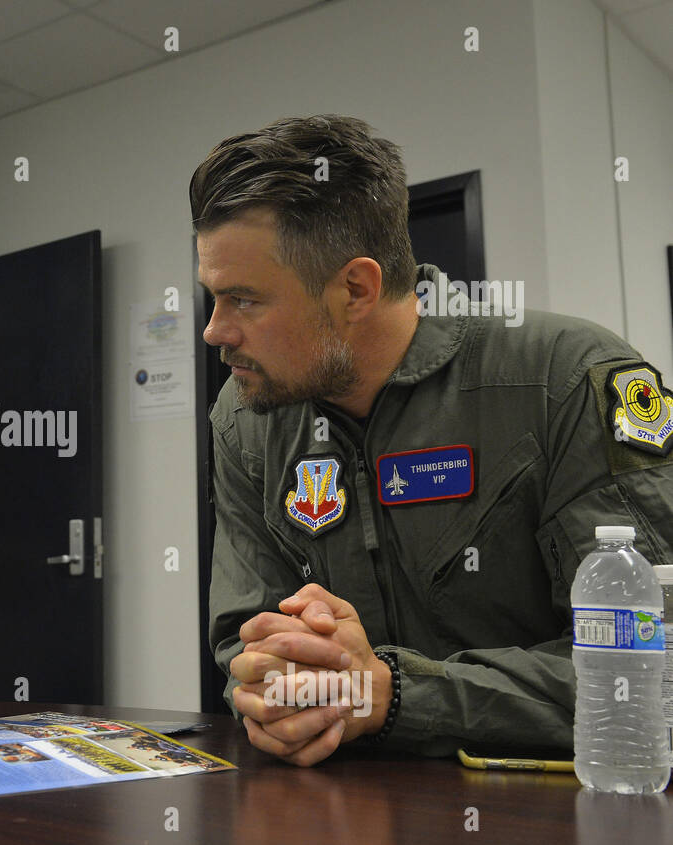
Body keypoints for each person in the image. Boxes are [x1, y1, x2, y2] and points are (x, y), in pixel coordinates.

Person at [192, 115, 673, 766]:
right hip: (340, 816)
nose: (214, 331)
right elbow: (241, 638)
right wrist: (274, 682)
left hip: (552, 818)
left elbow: (652, 667)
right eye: (211, 299)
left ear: (355, 289)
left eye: (243, 300)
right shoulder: (243, 419)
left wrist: (395, 694)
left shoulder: (567, 379)